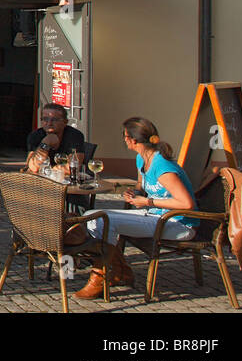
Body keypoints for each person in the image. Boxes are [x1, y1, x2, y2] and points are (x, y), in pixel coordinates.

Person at [75, 117, 196, 300]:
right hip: (155, 216)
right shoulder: (142, 158)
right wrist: (133, 193)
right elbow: (142, 185)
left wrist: (147, 202)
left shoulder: (162, 166)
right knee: (91, 215)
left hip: (177, 223)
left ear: (133, 140)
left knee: (103, 221)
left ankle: (101, 276)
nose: (124, 140)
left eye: (125, 136)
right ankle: (118, 270)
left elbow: (186, 204)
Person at [26, 103, 86, 175]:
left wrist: (46, 170)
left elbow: (73, 167)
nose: (49, 123)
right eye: (45, 119)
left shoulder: (75, 135)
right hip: (42, 182)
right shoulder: (35, 135)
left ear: (65, 122)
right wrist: (45, 143)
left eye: (54, 119)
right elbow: (34, 167)